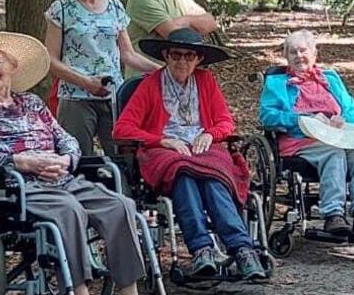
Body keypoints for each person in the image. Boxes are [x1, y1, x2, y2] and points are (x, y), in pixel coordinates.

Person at [0, 31, 174, 295]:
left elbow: (63, 136)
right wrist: (19, 161)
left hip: (61, 177)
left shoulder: (32, 102)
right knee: (69, 210)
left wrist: (66, 159)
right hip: (16, 188)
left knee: (120, 205)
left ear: (12, 66)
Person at [112, 28, 268, 281]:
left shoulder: (206, 81)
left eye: (189, 56)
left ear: (198, 59)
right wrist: (162, 140)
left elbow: (225, 122)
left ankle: (243, 250)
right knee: (183, 173)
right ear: (166, 55)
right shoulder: (150, 84)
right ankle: (201, 250)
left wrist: (211, 134)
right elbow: (122, 129)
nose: (182, 61)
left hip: (202, 148)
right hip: (165, 151)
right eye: (176, 55)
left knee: (214, 178)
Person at [259, 30, 354, 239]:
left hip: (338, 135)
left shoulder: (331, 79)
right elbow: (268, 116)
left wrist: (343, 119)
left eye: (303, 50)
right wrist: (303, 119)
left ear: (314, 53)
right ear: (286, 57)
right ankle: (333, 215)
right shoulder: (277, 83)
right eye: (293, 52)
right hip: (301, 141)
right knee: (333, 153)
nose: (299, 56)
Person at [45, 0, 159, 156]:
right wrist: (86, 82)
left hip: (112, 96)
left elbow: (128, 54)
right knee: (77, 159)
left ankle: (120, 190)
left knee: (121, 157)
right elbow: (50, 60)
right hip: (75, 97)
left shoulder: (115, 6)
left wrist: (161, 71)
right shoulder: (61, 9)